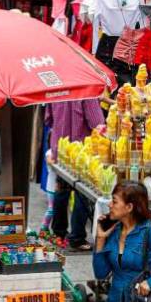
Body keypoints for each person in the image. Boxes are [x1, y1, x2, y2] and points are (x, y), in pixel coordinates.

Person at [46, 99, 104, 250]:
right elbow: (97, 124)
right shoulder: (87, 92)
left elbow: (48, 118)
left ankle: (58, 233)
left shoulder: (58, 87)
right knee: (82, 192)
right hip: (81, 151)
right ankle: (77, 237)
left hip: (60, 145)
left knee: (62, 188)